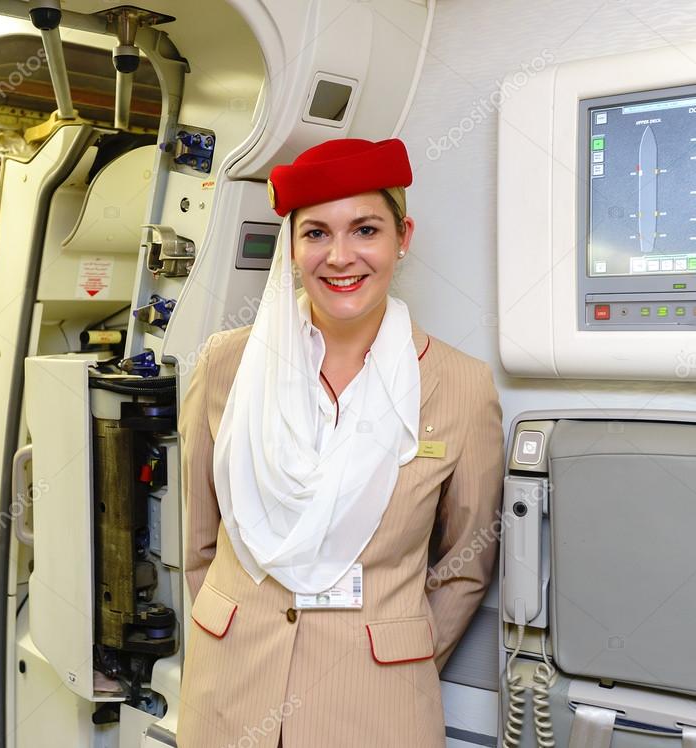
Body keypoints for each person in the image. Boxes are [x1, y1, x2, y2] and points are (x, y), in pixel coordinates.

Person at [177, 139, 505, 747]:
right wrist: (236, 631)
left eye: (365, 230)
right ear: (292, 246)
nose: (340, 257)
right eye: (316, 234)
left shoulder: (461, 386)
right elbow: (199, 543)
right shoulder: (227, 365)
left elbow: (464, 566)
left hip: (377, 702)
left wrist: (396, 657)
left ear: (402, 237)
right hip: (228, 691)